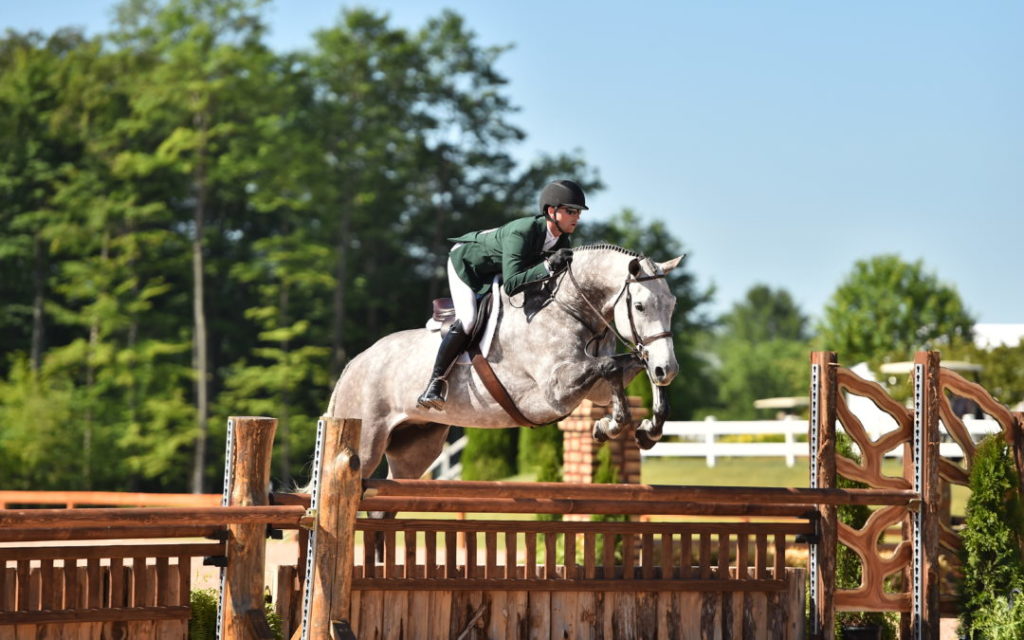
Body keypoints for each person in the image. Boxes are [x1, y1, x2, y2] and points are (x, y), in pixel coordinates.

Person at [416, 179, 588, 410]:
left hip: (496, 271)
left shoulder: (562, 239)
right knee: (468, 320)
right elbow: (512, 284)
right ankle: (434, 384)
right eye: (571, 211)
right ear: (551, 211)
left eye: (578, 212)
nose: (576, 217)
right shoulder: (523, 231)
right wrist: (547, 267)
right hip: (467, 265)